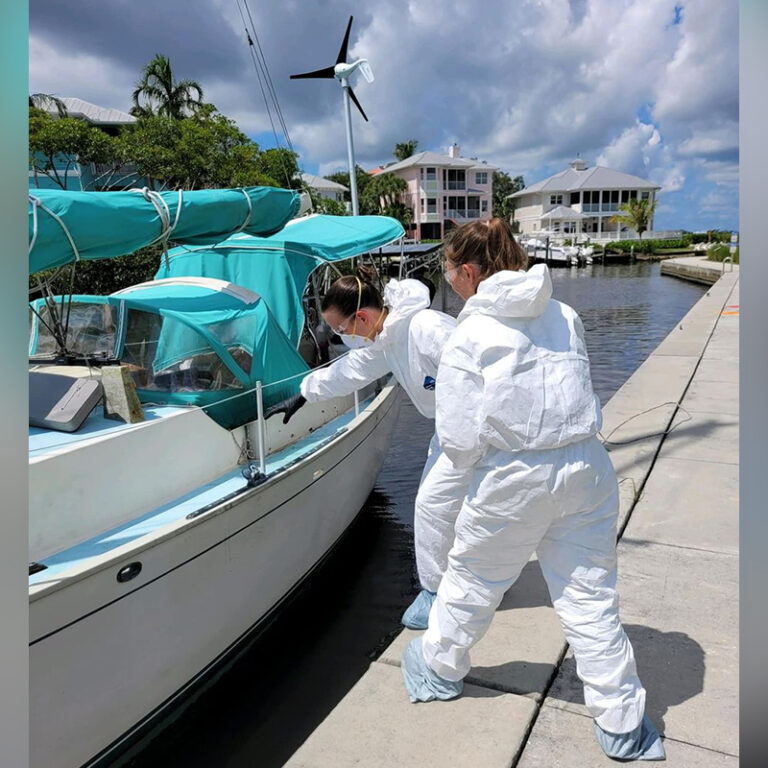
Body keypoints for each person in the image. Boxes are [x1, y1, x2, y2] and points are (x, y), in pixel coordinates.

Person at [400, 220, 665, 762]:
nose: (452, 284)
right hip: (588, 469)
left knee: (473, 578)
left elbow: (458, 439)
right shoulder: (564, 314)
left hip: (515, 477)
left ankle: (440, 668)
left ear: (469, 273)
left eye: (451, 274)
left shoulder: (468, 335)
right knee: (590, 597)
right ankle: (622, 726)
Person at [265, 267, 472, 629]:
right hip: (450, 430)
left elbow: (480, 372)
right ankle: (456, 584)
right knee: (445, 508)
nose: (341, 338)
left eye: (341, 330)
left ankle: (438, 595)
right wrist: (303, 394)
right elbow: (350, 371)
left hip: (476, 428)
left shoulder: (425, 328)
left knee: (432, 506)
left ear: (361, 317)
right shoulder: (386, 340)